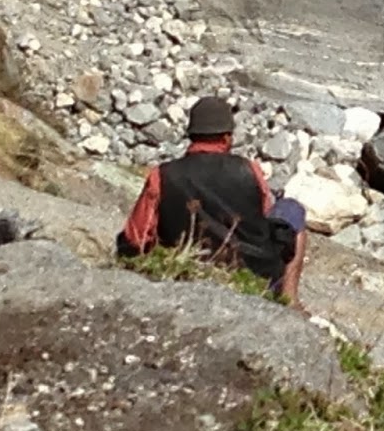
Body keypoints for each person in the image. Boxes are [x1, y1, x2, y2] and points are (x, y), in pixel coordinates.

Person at [117, 96, 308, 305]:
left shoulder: (161, 175)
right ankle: (289, 300)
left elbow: (137, 236)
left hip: (187, 264)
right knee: (291, 210)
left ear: (191, 135)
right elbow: (264, 216)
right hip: (253, 271)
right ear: (227, 137)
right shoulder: (249, 169)